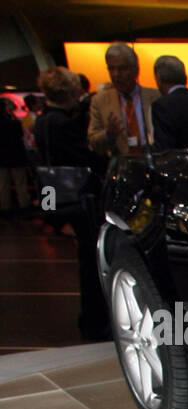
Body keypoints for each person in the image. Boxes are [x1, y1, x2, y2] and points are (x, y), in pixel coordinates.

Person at [33, 67, 109, 341]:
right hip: (78, 194)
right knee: (90, 259)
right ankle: (94, 320)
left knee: (85, 256)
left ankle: (92, 318)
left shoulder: (43, 120)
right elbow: (86, 157)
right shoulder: (63, 123)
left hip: (56, 189)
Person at [88, 43, 159, 156]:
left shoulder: (156, 97)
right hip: (121, 165)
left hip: (154, 160)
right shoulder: (99, 101)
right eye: (111, 69)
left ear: (136, 70)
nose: (116, 74)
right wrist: (108, 135)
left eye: (122, 69)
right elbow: (93, 141)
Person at [0, 98, 30, 217]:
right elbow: (20, 134)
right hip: (16, 156)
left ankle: (5, 209)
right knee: (21, 184)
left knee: (3, 185)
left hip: (1, 158)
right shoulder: (13, 122)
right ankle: (25, 208)